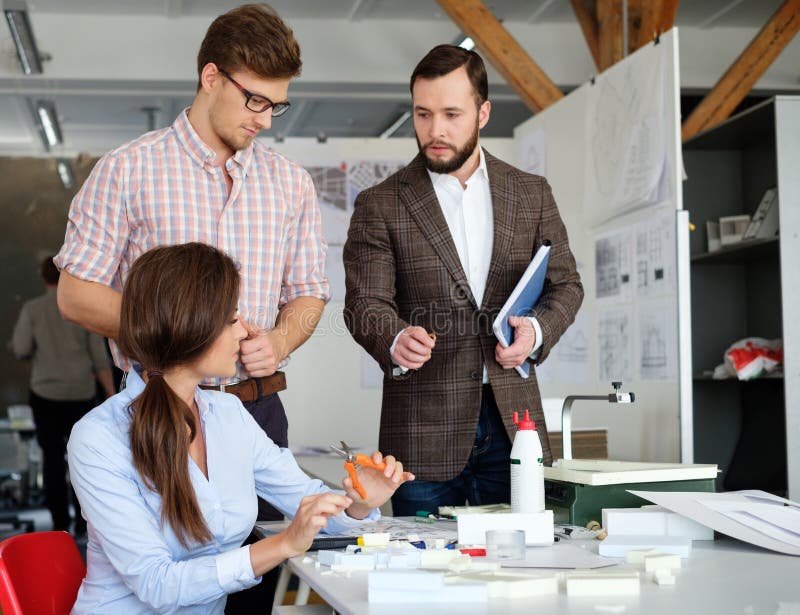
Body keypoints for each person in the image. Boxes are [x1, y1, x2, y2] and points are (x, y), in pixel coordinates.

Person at [54, 5, 326, 607]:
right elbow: (75, 293)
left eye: (276, 106)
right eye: (255, 100)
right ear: (210, 77)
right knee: (164, 578)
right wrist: (184, 335)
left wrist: (279, 341)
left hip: (253, 410)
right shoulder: (128, 170)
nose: (265, 119)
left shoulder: (290, 183)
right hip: (157, 411)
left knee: (255, 582)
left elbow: (310, 294)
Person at [68, 242, 412, 614]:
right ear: (191, 326)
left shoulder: (228, 413)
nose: (246, 331)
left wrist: (358, 503)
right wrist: (282, 544)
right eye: (232, 318)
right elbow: (157, 585)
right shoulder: (99, 438)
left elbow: (304, 497)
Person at [343, 45, 583, 516]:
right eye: (423, 114)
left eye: (452, 114)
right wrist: (394, 337)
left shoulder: (531, 193)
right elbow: (364, 304)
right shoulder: (381, 204)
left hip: (516, 428)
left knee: (521, 574)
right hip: (420, 434)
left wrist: (534, 331)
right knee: (423, 577)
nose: (435, 131)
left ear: (483, 112)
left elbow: (566, 286)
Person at [11, 256, 115, 535]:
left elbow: (20, 348)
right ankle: (84, 522)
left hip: (45, 394)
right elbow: (100, 359)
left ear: (42, 278)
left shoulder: (32, 309)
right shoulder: (81, 310)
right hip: (81, 394)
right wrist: (111, 393)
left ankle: (58, 523)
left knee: (52, 458)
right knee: (84, 459)